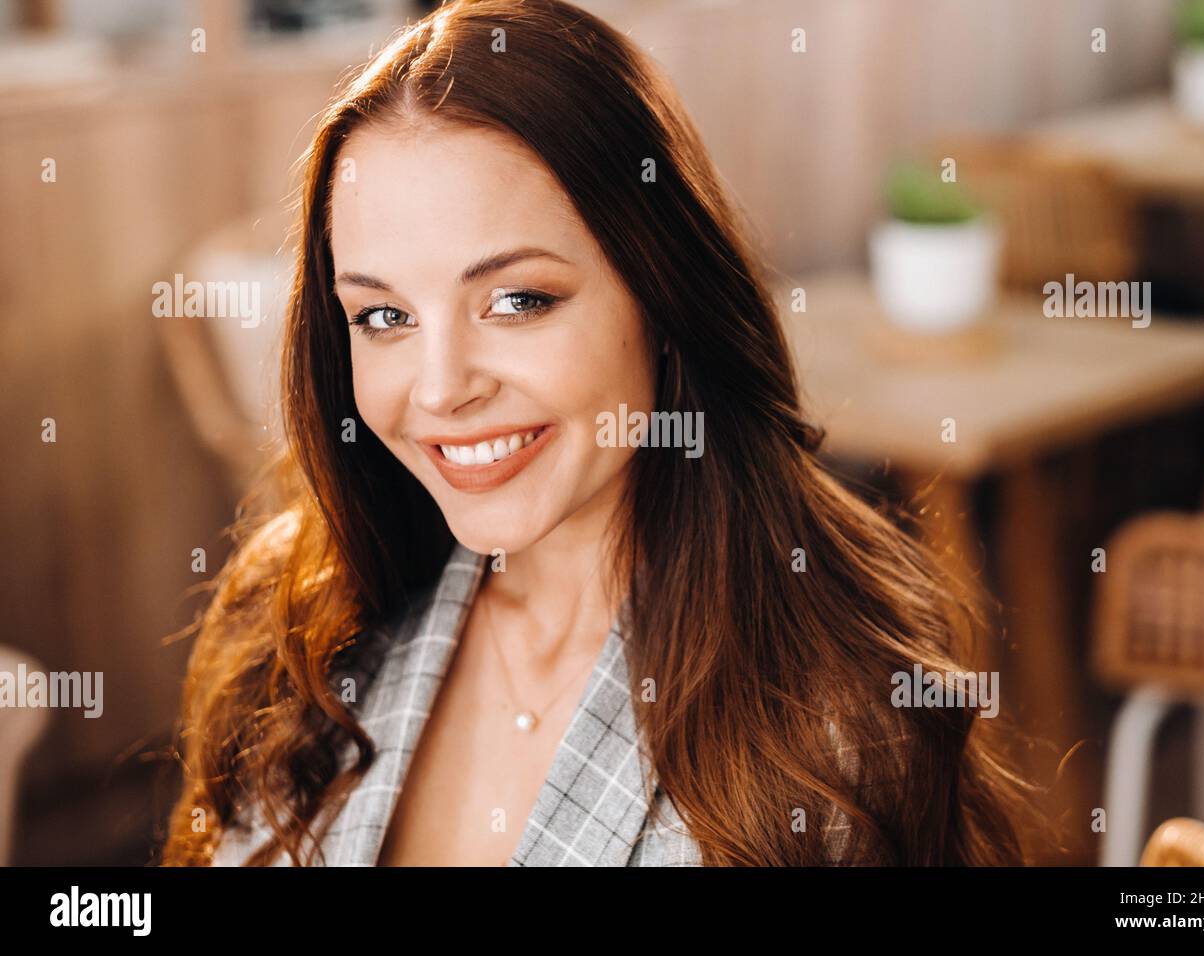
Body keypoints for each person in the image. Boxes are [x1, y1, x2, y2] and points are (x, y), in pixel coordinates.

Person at [163, 0, 1038, 867]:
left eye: (518, 301)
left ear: (661, 295)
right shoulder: (293, 625)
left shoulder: (831, 725)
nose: (440, 389)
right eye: (384, 315)